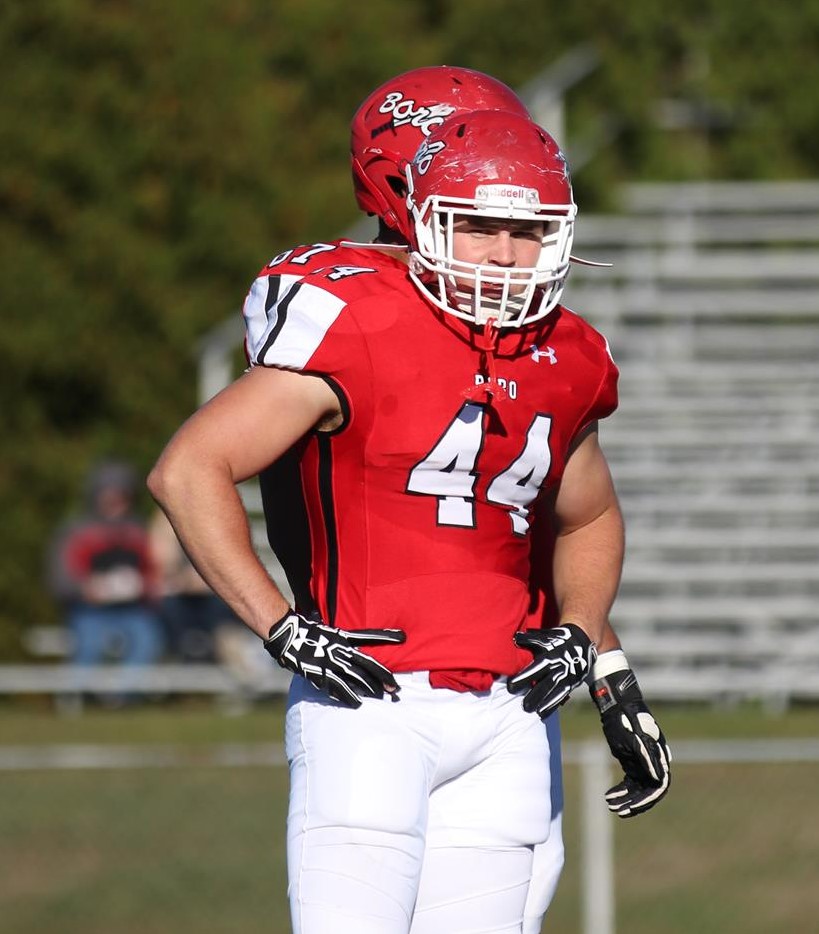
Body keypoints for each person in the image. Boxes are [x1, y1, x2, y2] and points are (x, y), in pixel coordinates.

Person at [150, 105, 669, 933]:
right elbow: (187, 468)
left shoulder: (568, 354)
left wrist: (593, 648)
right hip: (371, 703)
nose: (506, 254)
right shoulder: (358, 318)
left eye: (528, 231)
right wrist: (280, 627)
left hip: (511, 712)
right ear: (422, 220)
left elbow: (588, 514)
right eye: (479, 228)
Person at [48, 460, 165, 700]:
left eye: (121, 495)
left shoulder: (138, 531)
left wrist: (142, 585)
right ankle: (75, 698)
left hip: (132, 610)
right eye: (109, 494)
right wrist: (87, 588)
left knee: (148, 638)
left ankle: (122, 699)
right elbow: (61, 578)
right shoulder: (78, 532)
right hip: (89, 609)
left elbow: (154, 572)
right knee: (89, 642)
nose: (115, 501)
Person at [149, 509, 235, 662]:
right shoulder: (168, 516)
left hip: (214, 596)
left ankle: (221, 649)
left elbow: (231, 567)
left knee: (227, 607)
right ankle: (189, 648)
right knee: (168, 605)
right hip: (180, 597)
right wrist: (186, 579)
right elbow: (162, 565)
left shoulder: (218, 516)